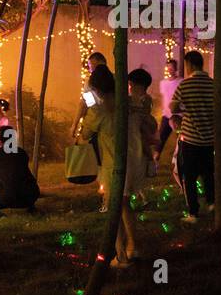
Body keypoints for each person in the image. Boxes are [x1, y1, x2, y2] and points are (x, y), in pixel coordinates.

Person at [81, 66, 155, 267]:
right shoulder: (130, 103)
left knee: (118, 206)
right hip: (134, 159)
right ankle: (123, 251)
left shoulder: (100, 111)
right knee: (120, 205)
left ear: (96, 90)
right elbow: (150, 125)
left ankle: (128, 250)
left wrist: (87, 104)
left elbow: (84, 134)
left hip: (115, 163)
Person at [168, 50, 215, 225]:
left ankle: (193, 213)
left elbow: (173, 107)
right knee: (208, 173)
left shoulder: (185, 85)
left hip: (190, 139)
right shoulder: (212, 84)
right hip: (209, 138)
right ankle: (212, 203)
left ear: (190, 65)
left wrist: (184, 108)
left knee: (189, 177)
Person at [0, 126, 41, 214]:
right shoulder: (22, 152)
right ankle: (31, 206)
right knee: (22, 175)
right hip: (31, 196)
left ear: (0, 139)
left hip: (9, 199)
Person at [71, 51, 109, 145]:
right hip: (110, 126)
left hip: (93, 125)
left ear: (95, 62)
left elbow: (85, 104)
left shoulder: (90, 81)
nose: (89, 68)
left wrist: (74, 125)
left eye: (90, 64)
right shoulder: (115, 79)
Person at [155, 58, 180, 162]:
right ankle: (155, 160)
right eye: (168, 67)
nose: (170, 69)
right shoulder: (163, 83)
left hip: (178, 116)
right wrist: (162, 111)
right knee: (160, 140)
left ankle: (179, 160)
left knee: (181, 140)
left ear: (175, 68)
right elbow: (162, 98)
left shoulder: (180, 82)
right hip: (166, 115)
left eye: (172, 67)